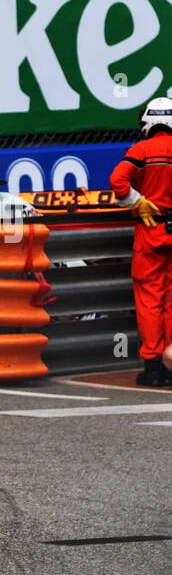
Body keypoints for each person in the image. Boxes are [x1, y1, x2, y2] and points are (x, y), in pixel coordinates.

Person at [111, 97, 172, 386]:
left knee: (150, 299)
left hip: (150, 231)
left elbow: (118, 181)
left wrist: (138, 202)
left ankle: (153, 368)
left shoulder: (141, 149)